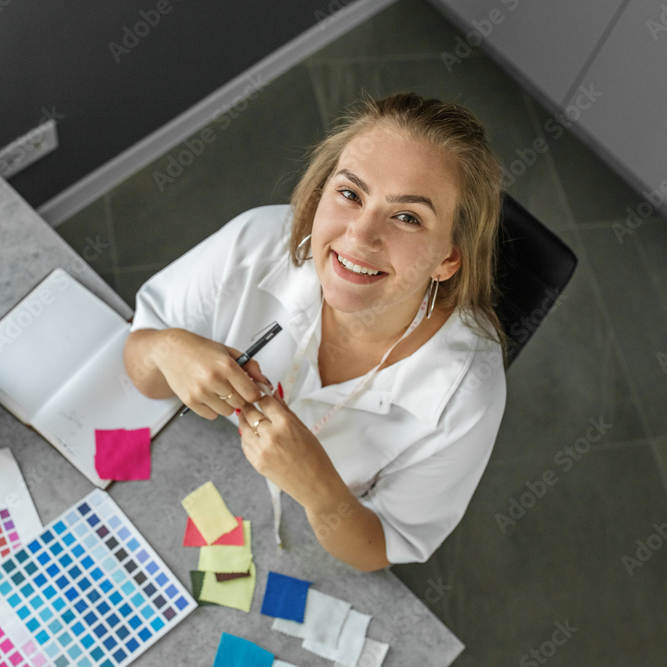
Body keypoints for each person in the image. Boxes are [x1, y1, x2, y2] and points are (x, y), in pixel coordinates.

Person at [123, 92, 507, 571]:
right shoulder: (255, 241)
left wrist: (319, 491)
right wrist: (167, 348)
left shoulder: (468, 390)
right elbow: (140, 367)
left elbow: (381, 549)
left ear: (448, 258)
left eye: (407, 217)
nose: (359, 237)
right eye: (350, 194)